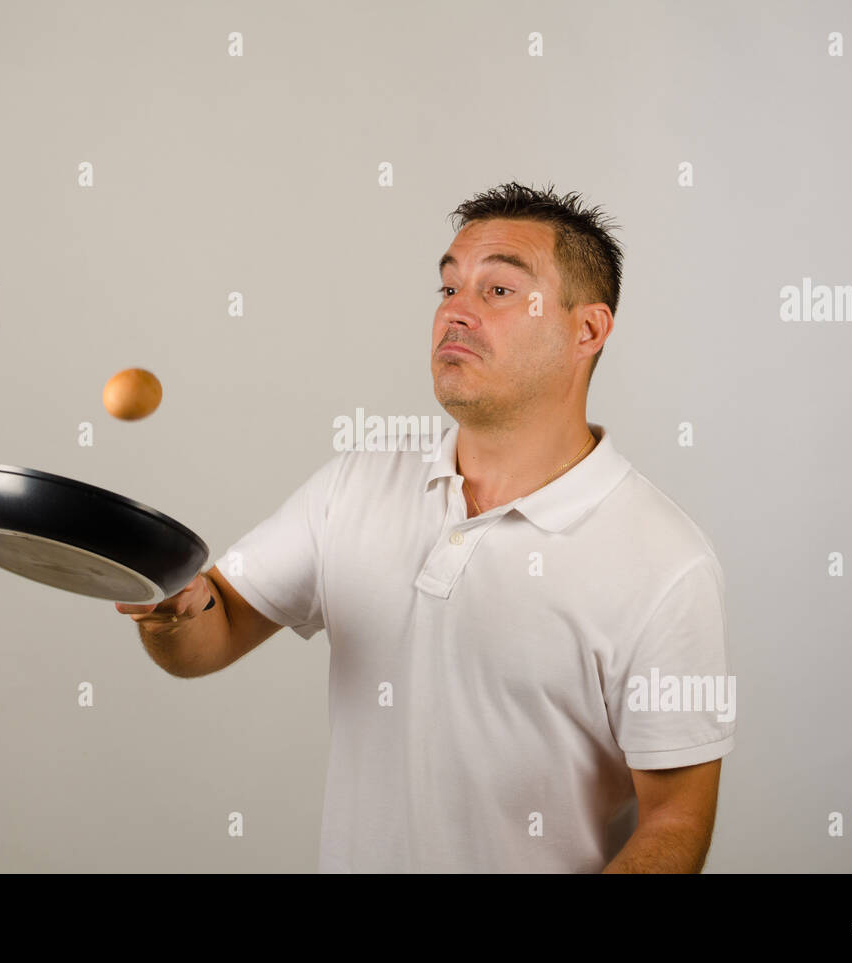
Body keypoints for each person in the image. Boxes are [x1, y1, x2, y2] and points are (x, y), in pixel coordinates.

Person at [118, 182, 734, 873]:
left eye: (499, 290)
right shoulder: (356, 483)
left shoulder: (665, 561)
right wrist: (172, 605)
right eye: (448, 289)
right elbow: (213, 631)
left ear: (586, 330)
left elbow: (678, 818)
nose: (456, 313)